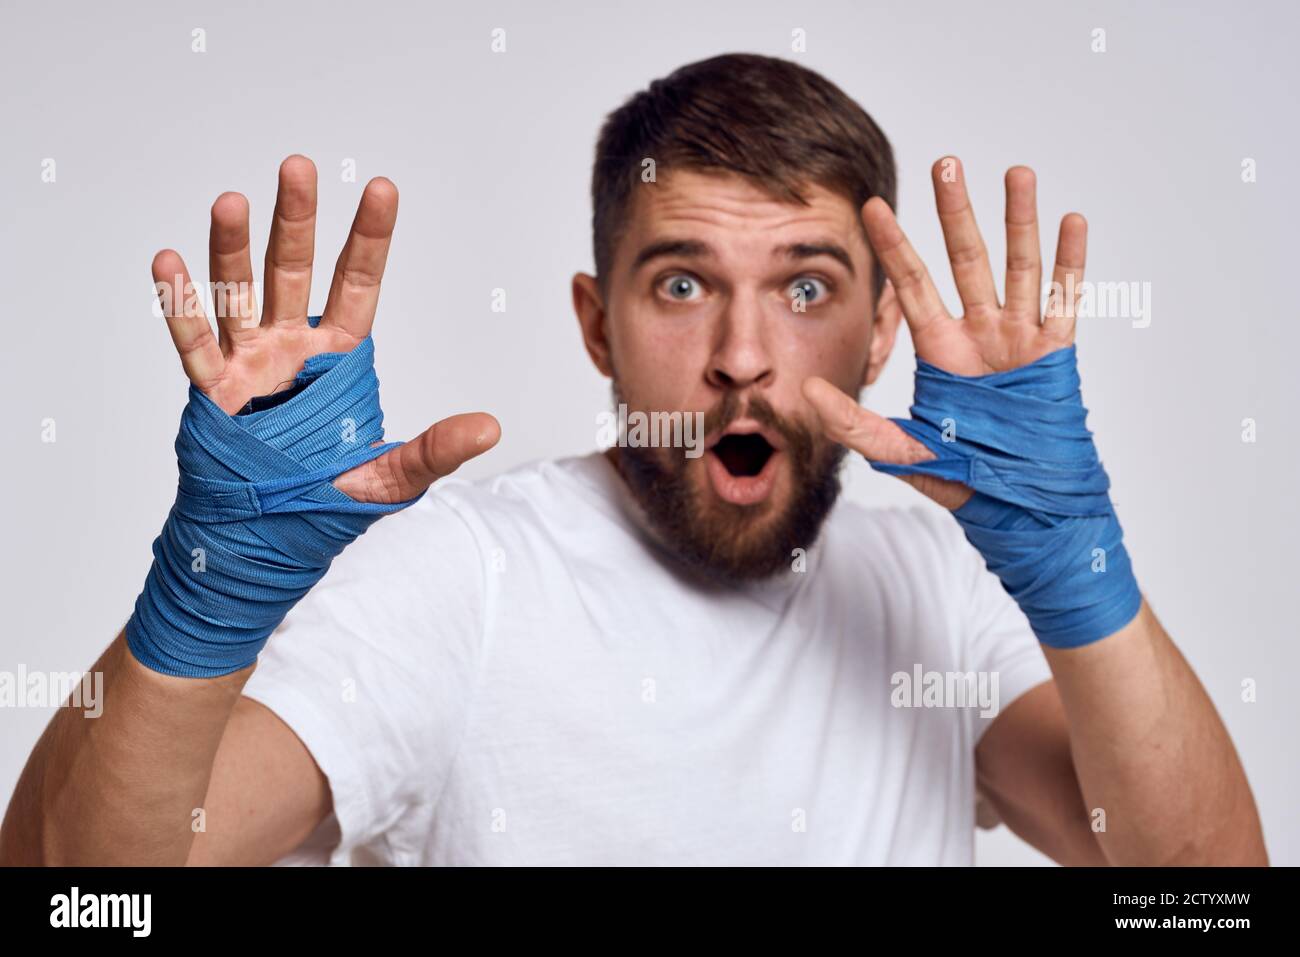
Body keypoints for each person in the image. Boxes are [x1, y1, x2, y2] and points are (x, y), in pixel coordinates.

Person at [0, 53, 1266, 866]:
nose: (740, 358)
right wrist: (204, 600)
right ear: (596, 322)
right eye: (679, 284)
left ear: (883, 331)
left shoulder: (932, 586)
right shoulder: (462, 580)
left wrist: (1074, 560)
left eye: (807, 286)